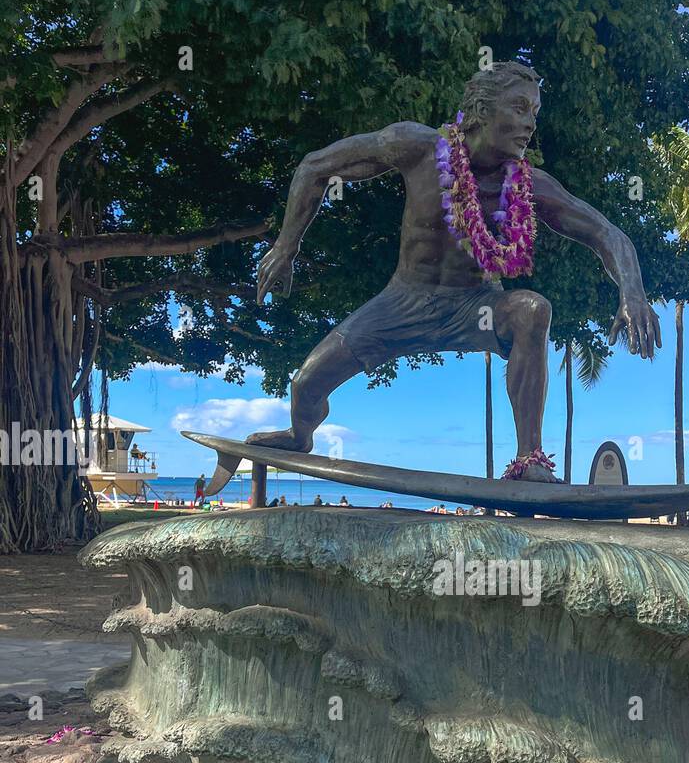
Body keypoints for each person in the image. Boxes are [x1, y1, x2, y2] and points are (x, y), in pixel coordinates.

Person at [202, 61, 660, 498]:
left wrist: (632, 293)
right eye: (520, 109)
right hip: (404, 301)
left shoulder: (527, 184)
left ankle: (529, 459)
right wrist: (287, 246)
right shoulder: (417, 146)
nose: (530, 123)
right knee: (304, 385)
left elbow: (605, 231)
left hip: (475, 308)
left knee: (531, 309)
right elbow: (316, 166)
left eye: (534, 113)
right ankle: (300, 437)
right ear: (481, 110)